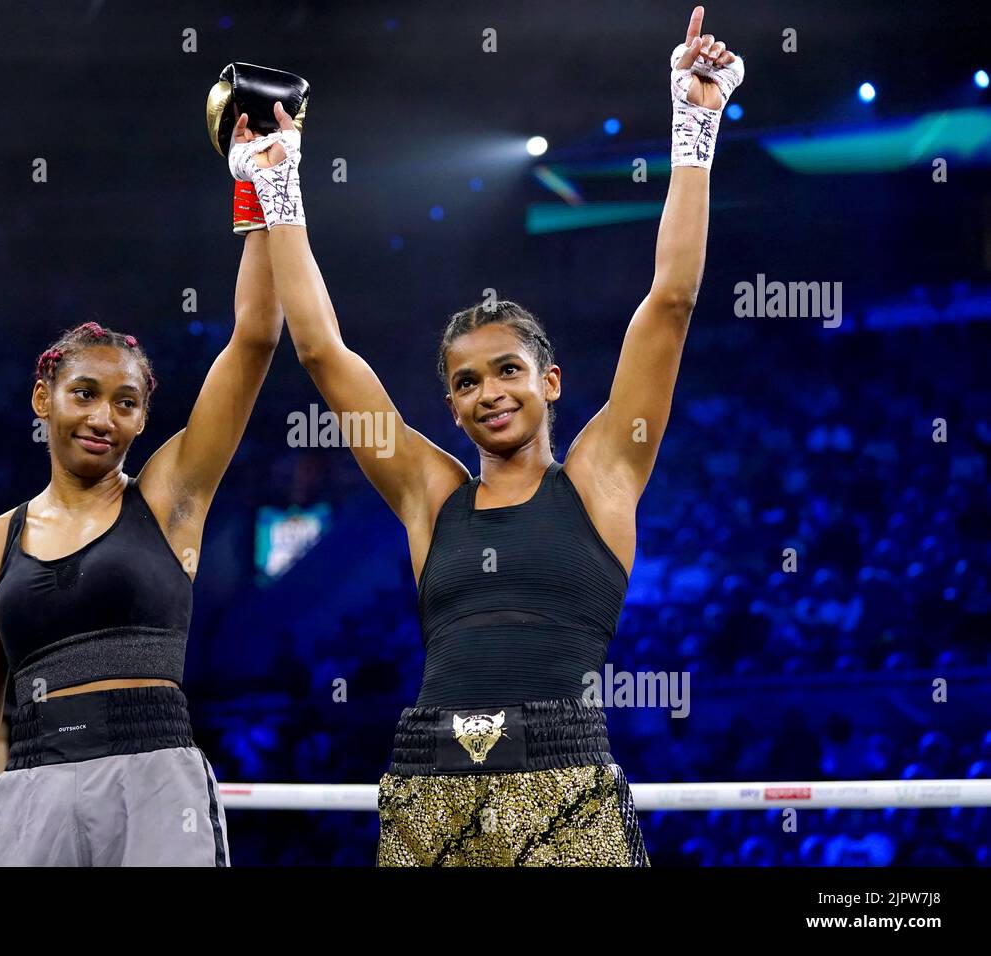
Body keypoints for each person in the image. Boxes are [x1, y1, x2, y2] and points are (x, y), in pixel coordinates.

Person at [231, 5, 743, 865]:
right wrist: (278, 187)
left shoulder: (602, 478)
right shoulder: (431, 495)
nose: (488, 393)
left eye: (507, 370)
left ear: (549, 382)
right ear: (453, 407)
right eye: (466, 382)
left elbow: (672, 302)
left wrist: (694, 123)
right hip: (430, 783)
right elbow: (321, 351)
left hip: (563, 782)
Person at [0, 126, 293, 864]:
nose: (105, 417)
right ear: (43, 399)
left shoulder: (171, 498)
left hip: (155, 787)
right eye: (85, 393)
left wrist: (261, 179)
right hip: (32, 791)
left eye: (128, 402)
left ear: (145, 416)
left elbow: (256, 338)